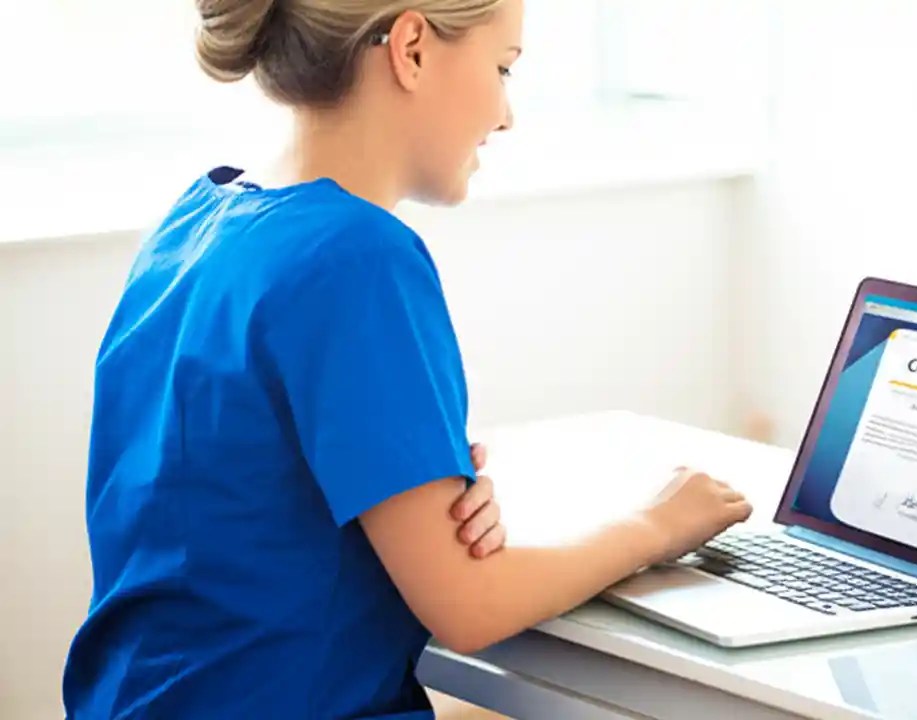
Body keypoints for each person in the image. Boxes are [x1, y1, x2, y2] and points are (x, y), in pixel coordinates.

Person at [60, 1, 754, 718]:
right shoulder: (356, 258)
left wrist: (423, 500)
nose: (507, 116)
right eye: (502, 69)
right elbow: (470, 608)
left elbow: (233, 502)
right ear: (413, 48)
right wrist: (657, 526)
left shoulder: (195, 223)